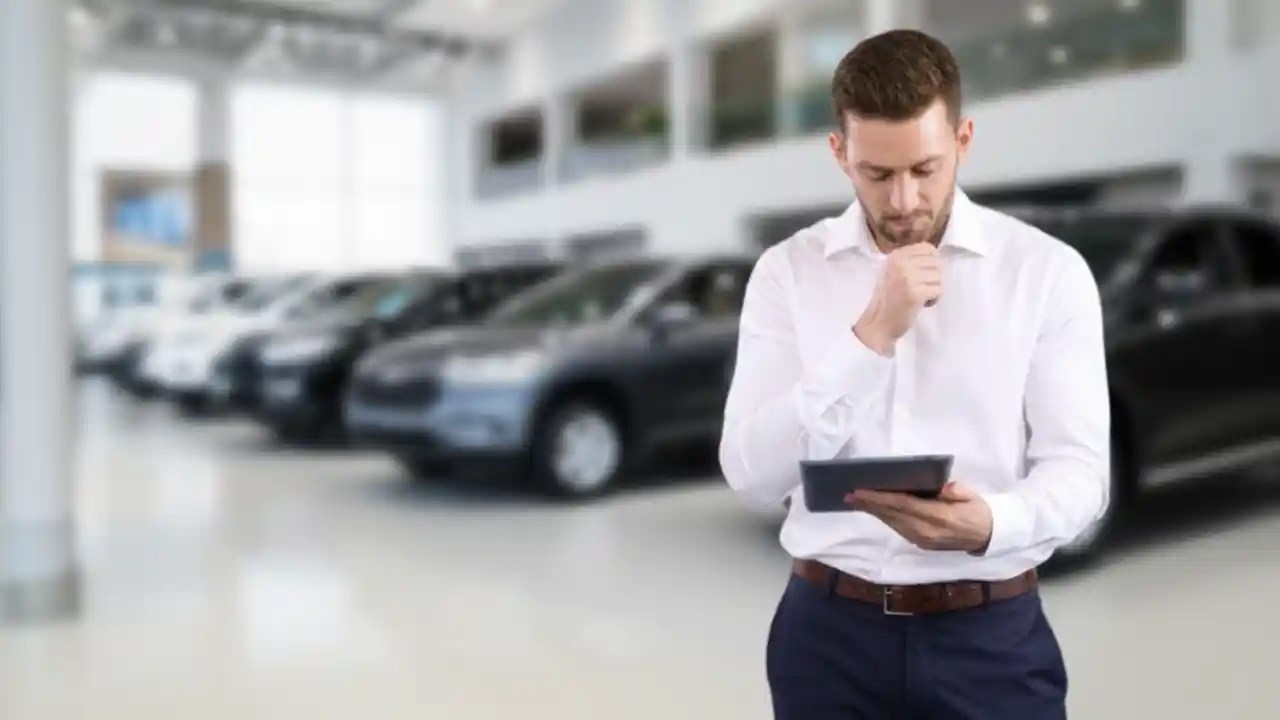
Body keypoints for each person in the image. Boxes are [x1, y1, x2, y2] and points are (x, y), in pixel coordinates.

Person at [719, 29, 1109, 719]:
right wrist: (871, 336)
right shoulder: (787, 272)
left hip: (990, 637)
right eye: (877, 174)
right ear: (840, 153)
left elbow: (1080, 473)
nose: (903, 200)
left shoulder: (1046, 273)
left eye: (925, 169)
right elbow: (752, 474)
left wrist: (991, 523)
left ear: (963, 138)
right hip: (826, 637)